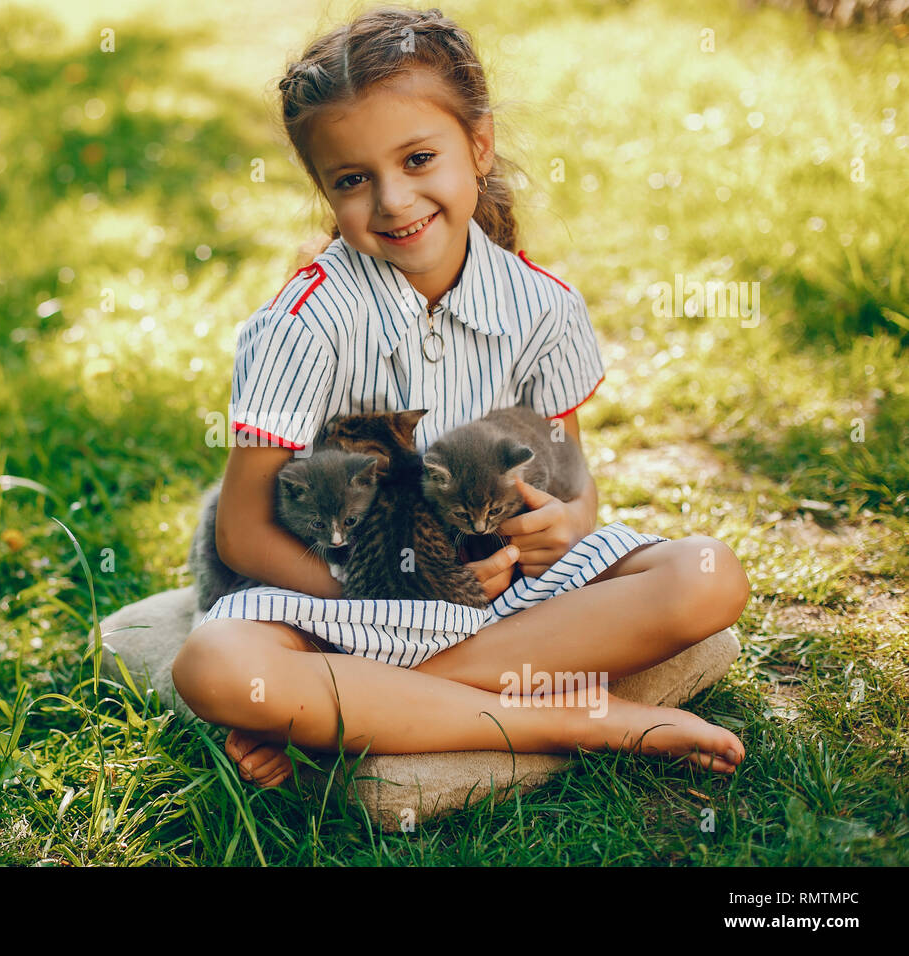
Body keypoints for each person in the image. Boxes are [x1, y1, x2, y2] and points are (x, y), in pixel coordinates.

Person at [172, 6, 749, 789]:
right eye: (352, 179)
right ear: (324, 190)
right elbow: (243, 534)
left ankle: (379, 709)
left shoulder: (542, 306)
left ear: (477, 147)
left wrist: (566, 524)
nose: (393, 200)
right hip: (345, 600)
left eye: (417, 158)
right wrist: (393, 590)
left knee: (710, 574)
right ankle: (565, 715)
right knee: (216, 667)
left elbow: (572, 489)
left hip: (499, 593)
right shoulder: (301, 325)